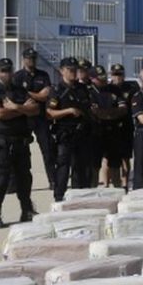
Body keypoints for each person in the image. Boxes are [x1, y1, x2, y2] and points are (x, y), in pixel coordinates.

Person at [0, 57, 39, 227]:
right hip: (2, 143)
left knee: (25, 178)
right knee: (1, 179)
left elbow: (35, 109)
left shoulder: (20, 91)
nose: (6, 74)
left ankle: (26, 210)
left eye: (8, 70)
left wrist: (15, 108)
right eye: (2, 70)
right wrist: (24, 110)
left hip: (20, 141)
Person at [47, 57, 96, 201]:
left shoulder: (82, 89)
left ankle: (79, 196)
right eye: (70, 70)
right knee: (63, 167)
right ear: (62, 71)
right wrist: (68, 111)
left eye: (76, 70)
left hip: (82, 133)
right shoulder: (57, 90)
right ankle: (59, 196)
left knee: (82, 169)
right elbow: (50, 113)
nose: (74, 73)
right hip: (65, 133)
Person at [12, 47, 54, 187]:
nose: (31, 60)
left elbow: (45, 95)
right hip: (24, 118)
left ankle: (52, 181)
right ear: (23, 59)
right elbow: (16, 98)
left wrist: (28, 94)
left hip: (41, 118)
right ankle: (17, 183)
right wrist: (36, 95)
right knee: (20, 151)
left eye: (34, 58)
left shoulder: (43, 75)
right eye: (29, 58)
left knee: (48, 150)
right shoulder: (17, 77)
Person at [90, 65, 129, 188]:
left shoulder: (114, 90)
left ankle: (117, 190)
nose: (103, 81)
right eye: (99, 79)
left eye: (104, 77)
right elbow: (94, 112)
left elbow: (123, 109)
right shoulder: (89, 91)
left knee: (115, 164)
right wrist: (112, 112)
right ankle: (94, 191)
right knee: (95, 165)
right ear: (92, 78)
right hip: (96, 132)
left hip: (114, 131)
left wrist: (106, 113)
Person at [109, 63, 138, 187]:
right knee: (112, 158)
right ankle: (114, 184)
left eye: (120, 74)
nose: (117, 77)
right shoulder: (107, 88)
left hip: (126, 125)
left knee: (126, 157)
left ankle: (125, 183)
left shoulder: (130, 88)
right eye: (115, 75)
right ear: (111, 75)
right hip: (111, 126)